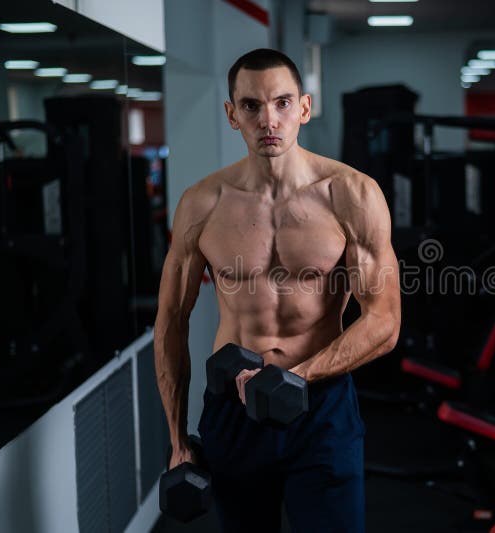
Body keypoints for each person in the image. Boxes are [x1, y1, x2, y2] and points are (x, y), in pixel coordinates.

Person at [154, 48, 401, 532]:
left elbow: (385, 321)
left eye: (282, 103)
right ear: (232, 115)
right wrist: (178, 441)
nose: (268, 120)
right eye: (251, 106)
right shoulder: (202, 204)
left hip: (321, 408)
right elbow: (170, 322)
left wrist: (298, 379)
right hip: (233, 411)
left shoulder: (351, 195)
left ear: (304, 108)